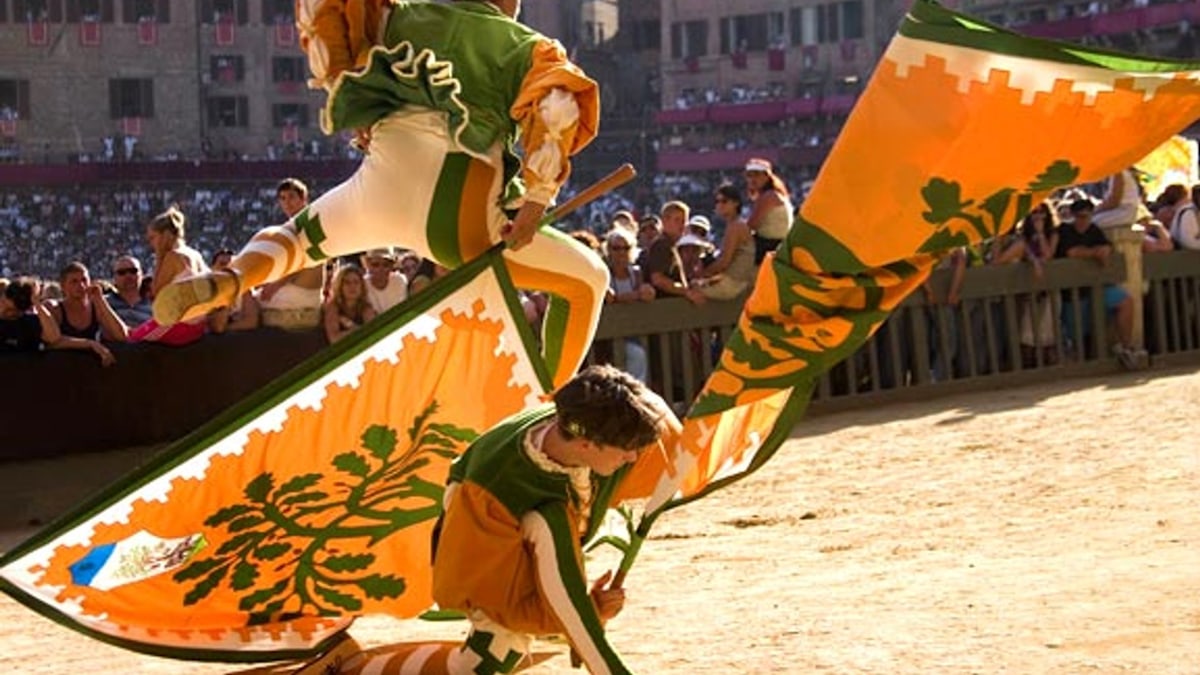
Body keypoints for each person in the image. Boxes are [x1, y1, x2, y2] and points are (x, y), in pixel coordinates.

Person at [153, 0, 608, 387]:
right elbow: (557, 108)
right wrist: (536, 200)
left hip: (376, 190)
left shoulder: (399, 15)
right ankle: (547, 400)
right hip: (455, 215)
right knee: (588, 281)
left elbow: (326, 20)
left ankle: (233, 279)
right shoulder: (529, 47)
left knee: (297, 237)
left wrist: (362, 119)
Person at [431, 364, 677, 675]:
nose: (633, 457)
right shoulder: (490, 495)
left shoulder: (587, 423)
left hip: (546, 526)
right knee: (495, 651)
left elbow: (667, 429)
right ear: (586, 444)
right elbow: (508, 607)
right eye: (626, 450)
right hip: (486, 547)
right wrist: (589, 611)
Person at [1055, 198, 1143, 368]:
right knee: (1074, 334)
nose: (1083, 221)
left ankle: (1127, 347)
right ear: (1073, 216)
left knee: (1125, 300)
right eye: (1080, 217)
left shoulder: (1094, 230)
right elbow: (1071, 252)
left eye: (1087, 217)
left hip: (1097, 289)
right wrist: (1094, 252)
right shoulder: (1064, 231)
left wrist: (1103, 251)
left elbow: (1106, 247)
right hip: (1071, 295)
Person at [131, 206, 209, 346]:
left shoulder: (173, 257)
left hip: (181, 324)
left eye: (153, 238)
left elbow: (156, 294)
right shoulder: (194, 254)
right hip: (198, 324)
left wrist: (160, 257)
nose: (151, 244)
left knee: (131, 341)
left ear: (166, 234)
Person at [257, 178, 325, 331]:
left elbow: (304, 262)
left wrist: (275, 286)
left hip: (302, 294)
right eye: (283, 198)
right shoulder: (289, 227)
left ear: (303, 199)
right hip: (295, 288)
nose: (287, 202)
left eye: (291, 197)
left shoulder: (308, 225)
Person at [688, 184, 756, 302]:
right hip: (733, 281)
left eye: (724, 201)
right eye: (717, 201)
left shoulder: (736, 226)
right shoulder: (734, 225)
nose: (719, 205)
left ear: (736, 203)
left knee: (688, 291)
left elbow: (724, 262)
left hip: (732, 285)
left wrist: (703, 275)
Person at [47, 262, 128, 343]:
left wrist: (100, 300)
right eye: (74, 282)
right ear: (63, 286)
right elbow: (52, 341)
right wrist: (89, 344)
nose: (81, 285)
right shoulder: (55, 308)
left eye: (84, 280)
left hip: (91, 354)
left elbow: (121, 335)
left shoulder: (95, 307)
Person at [743, 158, 794, 264]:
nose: (752, 179)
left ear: (766, 176)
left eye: (756, 174)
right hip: (775, 244)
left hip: (771, 246)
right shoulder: (773, 194)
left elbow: (751, 225)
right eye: (749, 175)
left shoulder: (769, 197)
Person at [323, 264, 377, 344]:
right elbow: (334, 339)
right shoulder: (333, 307)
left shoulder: (366, 307)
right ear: (340, 286)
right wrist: (358, 330)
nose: (352, 286)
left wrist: (351, 327)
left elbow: (373, 333)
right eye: (347, 283)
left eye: (356, 282)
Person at [105, 255, 153, 327]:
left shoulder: (154, 306)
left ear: (141, 274)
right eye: (122, 272)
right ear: (114, 277)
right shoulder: (104, 303)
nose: (128, 276)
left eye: (133, 271)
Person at [361, 247, 408, 314]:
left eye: (386, 265)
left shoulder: (399, 281)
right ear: (368, 265)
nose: (380, 269)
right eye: (375, 265)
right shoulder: (362, 284)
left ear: (392, 266)